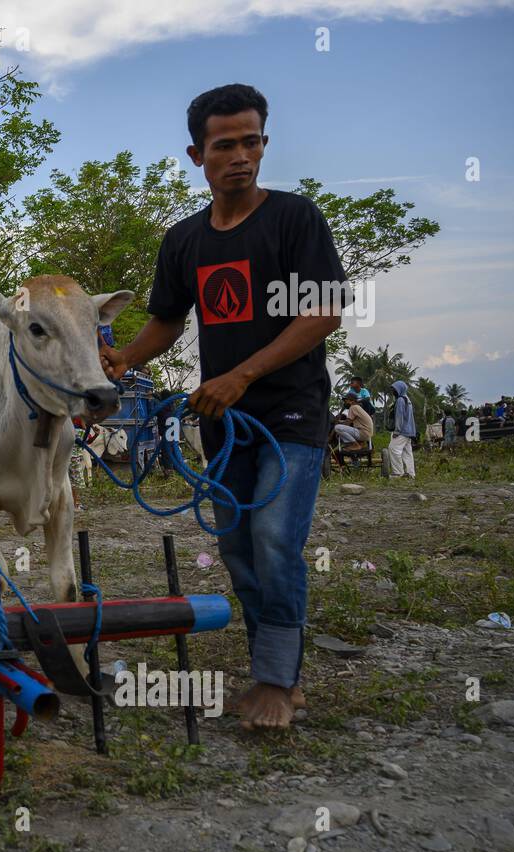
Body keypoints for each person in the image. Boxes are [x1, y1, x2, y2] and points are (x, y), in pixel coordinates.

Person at [100, 84, 347, 731]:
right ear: (196, 154)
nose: (241, 155)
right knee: (237, 545)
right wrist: (124, 358)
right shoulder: (184, 241)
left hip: (291, 411)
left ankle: (274, 680)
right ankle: (277, 673)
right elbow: (167, 322)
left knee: (272, 535)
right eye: (225, 145)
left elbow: (322, 312)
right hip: (223, 423)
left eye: (252, 141)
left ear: (264, 143)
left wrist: (242, 373)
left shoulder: (295, 220)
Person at [387, 380, 417, 478]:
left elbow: (400, 416)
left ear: (399, 389)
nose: (393, 391)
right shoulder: (407, 399)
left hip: (402, 430)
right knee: (407, 452)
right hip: (409, 431)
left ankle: (398, 473)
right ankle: (410, 474)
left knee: (393, 448)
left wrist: (397, 430)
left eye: (394, 389)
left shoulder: (400, 400)